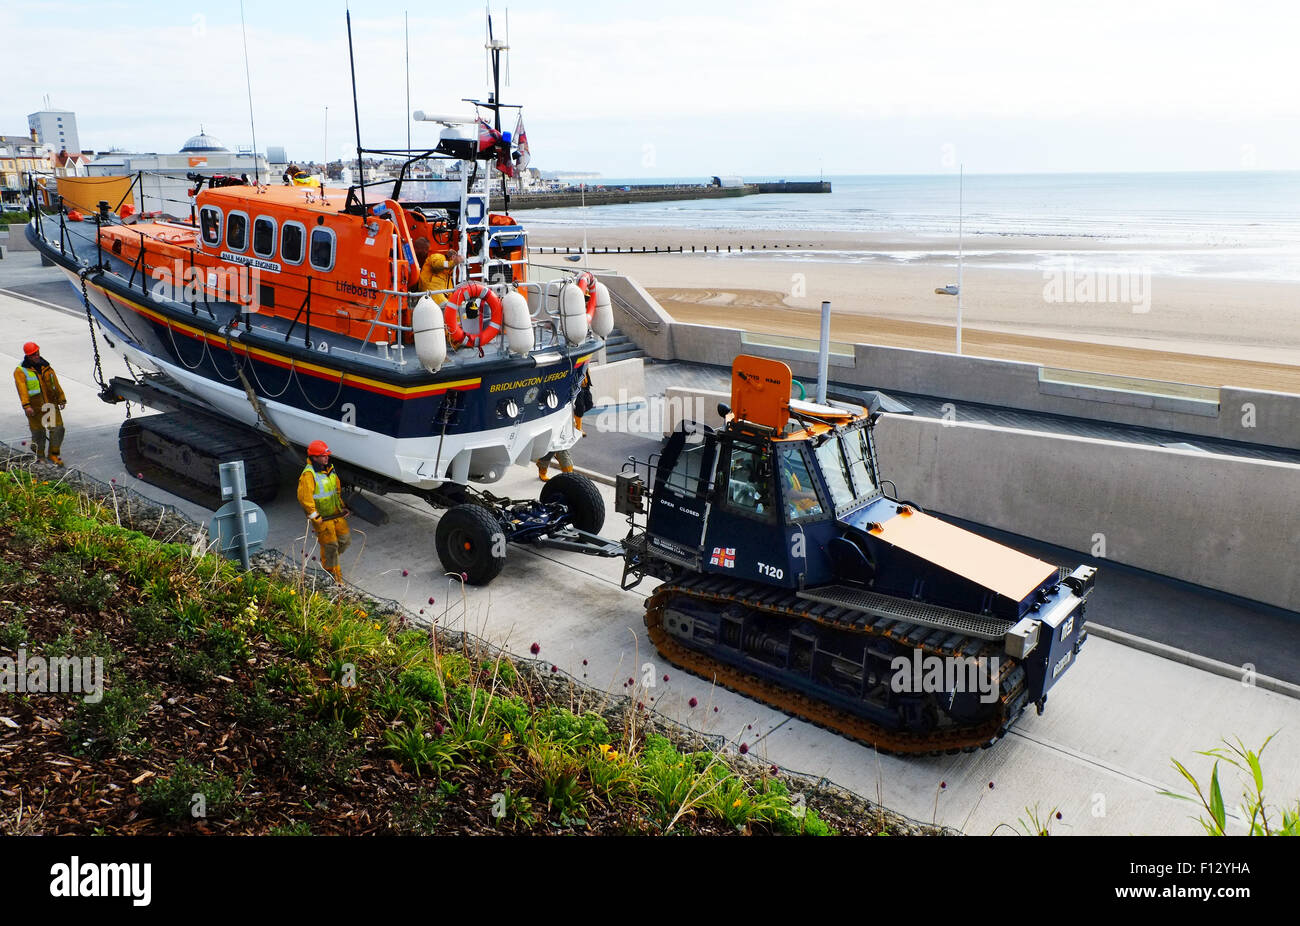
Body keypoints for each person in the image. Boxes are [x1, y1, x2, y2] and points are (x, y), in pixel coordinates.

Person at [297, 439, 350, 582]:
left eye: (327, 455)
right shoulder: (309, 475)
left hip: (335, 514)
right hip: (322, 519)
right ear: (314, 457)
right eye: (323, 456)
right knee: (331, 546)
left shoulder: (330, 470)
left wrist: (342, 507)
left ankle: (328, 558)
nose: (327, 458)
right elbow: (305, 499)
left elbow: (335, 492)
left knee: (345, 540)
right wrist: (315, 516)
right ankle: (335, 577)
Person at [14, 342, 66, 465]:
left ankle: (53, 454)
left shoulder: (46, 367)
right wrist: (26, 406)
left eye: (37, 353)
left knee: (58, 429)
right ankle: (40, 456)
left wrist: (61, 399)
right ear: (28, 356)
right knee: (39, 432)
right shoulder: (21, 371)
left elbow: (55, 384)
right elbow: (22, 389)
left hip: (50, 404)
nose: (36, 356)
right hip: (34, 407)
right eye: (33, 354)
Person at [536, 372, 593, 481]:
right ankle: (555, 473)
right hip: (554, 418)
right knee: (556, 448)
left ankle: (546, 468)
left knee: (557, 448)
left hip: (564, 418)